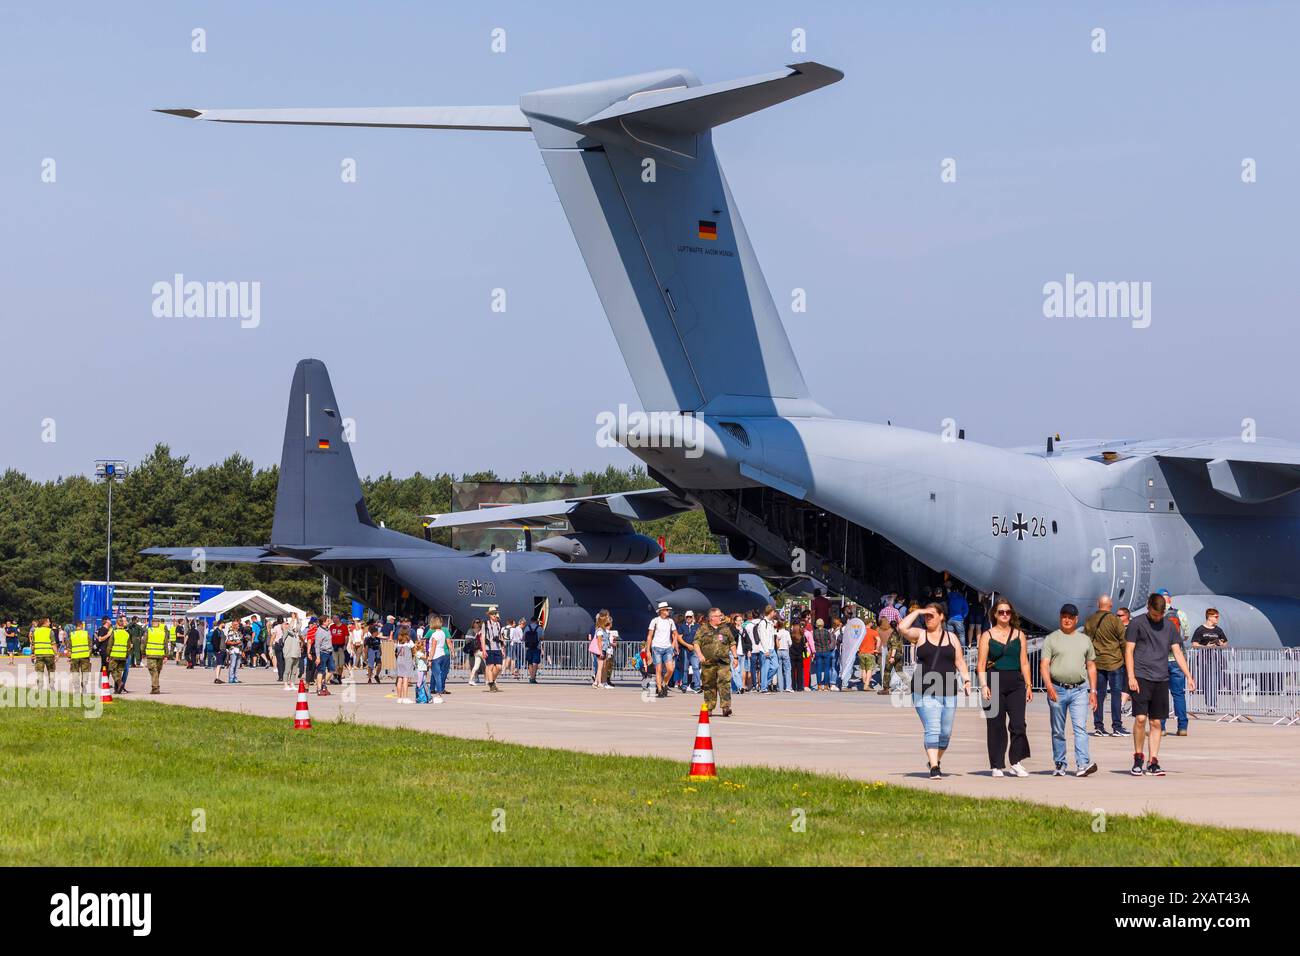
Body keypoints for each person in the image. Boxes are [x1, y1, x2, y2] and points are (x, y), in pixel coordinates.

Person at [1125, 592, 1195, 777]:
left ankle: (1153, 761)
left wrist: (1188, 675)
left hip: (1161, 678)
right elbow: (1129, 650)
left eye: (1160, 615)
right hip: (1141, 676)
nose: (1158, 618)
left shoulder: (1169, 627)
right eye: (1155, 614)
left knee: (1156, 722)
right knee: (1140, 719)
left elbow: (1177, 652)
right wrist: (1131, 677)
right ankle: (1138, 758)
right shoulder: (1136, 623)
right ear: (1148, 607)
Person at [898, 603, 971, 778]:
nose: (927, 618)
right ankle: (934, 768)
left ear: (941, 617)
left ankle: (934, 760)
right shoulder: (920, 635)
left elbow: (959, 661)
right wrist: (918, 611)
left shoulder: (952, 637)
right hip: (923, 690)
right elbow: (902, 627)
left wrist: (966, 679)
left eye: (931, 615)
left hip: (948, 691)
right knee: (933, 727)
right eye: (926, 616)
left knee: (945, 733)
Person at [1040, 604, 1099, 777]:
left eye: (1070, 617)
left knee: (1080, 727)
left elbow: (1091, 666)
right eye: (1064, 616)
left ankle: (1083, 764)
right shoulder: (1052, 639)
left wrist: (1093, 691)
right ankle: (1060, 763)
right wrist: (1049, 686)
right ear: (1060, 618)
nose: (1067, 620)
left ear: (1076, 619)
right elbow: (1044, 665)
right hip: (1057, 688)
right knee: (1058, 729)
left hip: (1079, 690)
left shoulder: (1084, 640)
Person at [977, 598, 1033, 777]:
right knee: (995, 725)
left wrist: (1029, 685)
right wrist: (984, 685)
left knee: (1018, 724)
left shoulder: (1019, 635)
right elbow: (981, 664)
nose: (1004, 615)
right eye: (1001, 612)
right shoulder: (987, 635)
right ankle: (996, 764)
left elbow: (1024, 662)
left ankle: (1016, 761)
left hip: (1016, 682)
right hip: (994, 681)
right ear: (995, 614)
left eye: (1007, 612)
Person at [1082, 595, 1128, 737]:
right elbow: (1123, 642)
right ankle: (1117, 726)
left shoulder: (1090, 620)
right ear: (1110, 605)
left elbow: (1086, 641)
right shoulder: (1115, 620)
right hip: (1115, 663)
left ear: (1098, 604)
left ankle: (1098, 726)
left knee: (1098, 694)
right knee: (1115, 695)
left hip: (1097, 663)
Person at [1156, 591, 1190, 736]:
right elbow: (1186, 634)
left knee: (1161, 695)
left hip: (1161, 660)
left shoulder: (1157, 615)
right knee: (1179, 694)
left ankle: (1161, 728)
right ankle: (1182, 727)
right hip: (1177, 660)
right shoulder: (1180, 614)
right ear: (1169, 599)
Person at [694, 607, 737, 717]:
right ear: (712, 617)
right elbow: (696, 643)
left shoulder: (725, 629)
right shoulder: (703, 629)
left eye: (721, 615)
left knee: (725, 683)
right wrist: (700, 655)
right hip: (708, 663)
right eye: (718, 616)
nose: (721, 618)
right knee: (709, 685)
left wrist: (735, 657)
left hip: (723, 662)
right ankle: (709, 707)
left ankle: (726, 707)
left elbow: (732, 642)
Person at [1191, 609, 1228, 714]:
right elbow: (1194, 644)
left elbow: (1225, 643)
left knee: (1214, 682)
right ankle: (1209, 704)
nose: (1217, 619)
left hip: (1215, 659)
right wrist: (1205, 646)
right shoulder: (1200, 630)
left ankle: (1213, 705)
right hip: (1204, 659)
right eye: (1216, 617)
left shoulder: (1218, 630)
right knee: (1208, 682)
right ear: (1209, 617)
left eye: (1218, 616)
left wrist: (1220, 644)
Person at [645, 601, 678, 699]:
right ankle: (659, 690)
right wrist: (647, 651)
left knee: (670, 669)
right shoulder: (655, 621)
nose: (668, 611)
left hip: (668, 647)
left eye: (668, 610)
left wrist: (673, 645)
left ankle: (664, 684)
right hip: (657, 647)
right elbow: (649, 636)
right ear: (661, 611)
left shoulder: (670, 621)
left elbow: (675, 634)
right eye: (666, 609)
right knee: (658, 670)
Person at [878, 615, 905, 695]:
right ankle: (908, 685)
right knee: (899, 671)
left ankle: (885, 688)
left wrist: (892, 656)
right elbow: (900, 644)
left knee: (887, 671)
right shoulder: (899, 633)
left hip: (893, 654)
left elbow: (894, 646)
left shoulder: (893, 634)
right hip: (899, 654)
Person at [482, 607, 507, 692]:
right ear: (489, 615)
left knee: (499, 667)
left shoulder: (499, 624)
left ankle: (491, 681)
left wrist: (503, 648)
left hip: (497, 648)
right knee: (490, 666)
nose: (494, 615)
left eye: (495, 613)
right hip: (488, 647)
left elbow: (501, 637)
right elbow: (482, 638)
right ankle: (492, 684)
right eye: (493, 613)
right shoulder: (485, 624)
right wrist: (484, 650)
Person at [425, 615, 449, 702]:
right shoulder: (442, 633)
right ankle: (440, 691)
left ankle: (439, 694)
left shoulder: (435, 634)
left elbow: (433, 648)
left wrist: (430, 659)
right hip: (442, 655)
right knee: (439, 675)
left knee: (437, 676)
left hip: (436, 656)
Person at [676, 610, 700, 694]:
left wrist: (695, 645)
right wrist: (687, 645)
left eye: (690, 617)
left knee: (696, 668)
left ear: (693, 617)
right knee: (685, 668)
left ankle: (697, 686)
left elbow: (700, 637)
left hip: (695, 649)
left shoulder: (697, 626)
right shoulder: (682, 627)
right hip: (685, 649)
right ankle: (684, 685)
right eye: (687, 617)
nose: (688, 618)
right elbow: (679, 638)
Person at [756, 605, 779, 693]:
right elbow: (762, 637)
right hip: (765, 649)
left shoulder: (770, 622)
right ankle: (764, 687)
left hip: (772, 648)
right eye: (774, 612)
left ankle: (765, 682)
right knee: (765, 669)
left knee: (775, 666)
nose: (775, 613)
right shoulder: (763, 623)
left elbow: (772, 636)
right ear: (770, 612)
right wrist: (766, 650)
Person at [30, 617, 56, 690]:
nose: (50, 623)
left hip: (39, 655)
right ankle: (52, 686)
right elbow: (53, 644)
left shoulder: (35, 631)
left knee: (40, 671)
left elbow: (33, 644)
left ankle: (40, 687)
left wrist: (32, 654)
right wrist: (56, 654)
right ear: (45, 622)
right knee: (51, 671)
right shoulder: (50, 631)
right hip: (49, 655)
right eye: (48, 622)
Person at [108, 615, 132, 693]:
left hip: (114, 655)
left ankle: (119, 682)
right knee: (119, 671)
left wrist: (108, 655)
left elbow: (110, 645)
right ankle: (118, 689)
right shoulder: (126, 634)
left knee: (112, 669)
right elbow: (129, 646)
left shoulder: (114, 633)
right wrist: (127, 655)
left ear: (117, 624)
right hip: (123, 656)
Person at [144, 617, 168, 694]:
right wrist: (166, 656)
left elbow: (144, 642)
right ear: (159, 623)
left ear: (152, 623)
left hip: (151, 654)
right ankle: (155, 687)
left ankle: (155, 688)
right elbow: (165, 645)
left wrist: (143, 653)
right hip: (160, 655)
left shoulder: (149, 631)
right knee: (157, 671)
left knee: (153, 671)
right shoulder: (163, 632)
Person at [393, 624, 416, 703]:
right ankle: (405, 697)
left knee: (399, 679)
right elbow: (414, 650)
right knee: (405, 679)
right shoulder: (409, 641)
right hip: (407, 661)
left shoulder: (399, 641)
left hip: (399, 660)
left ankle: (399, 698)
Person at [855, 618, 879, 692]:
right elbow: (879, 640)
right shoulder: (874, 632)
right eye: (872, 622)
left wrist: (858, 648)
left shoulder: (860, 632)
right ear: (870, 623)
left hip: (861, 653)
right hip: (870, 653)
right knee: (869, 669)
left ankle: (864, 683)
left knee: (863, 669)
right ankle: (866, 685)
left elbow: (855, 640)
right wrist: (877, 649)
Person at [811, 618, 835, 691]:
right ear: (823, 624)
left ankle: (819, 686)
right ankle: (826, 686)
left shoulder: (814, 632)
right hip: (826, 651)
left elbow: (813, 641)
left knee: (818, 669)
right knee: (826, 669)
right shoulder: (826, 632)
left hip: (818, 651)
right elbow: (830, 640)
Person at [312, 617, 332, 695]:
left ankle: (324, 684)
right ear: (323, 622)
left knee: (332, 670)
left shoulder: (328, 630)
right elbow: (317, 645)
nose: (329, 621)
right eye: (328, 620)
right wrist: (318, 657)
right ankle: (319, 688)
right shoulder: (319, 631)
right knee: (321, 671)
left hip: (329, 652)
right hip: (322, 652)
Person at [522, 616, 543, 683]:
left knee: (530, 663)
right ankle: (533, 678)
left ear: (531, 621)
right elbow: (542, 637)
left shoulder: (527, 627)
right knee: (535, 663)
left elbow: (524, 637)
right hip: (537, 647)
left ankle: (531, 677)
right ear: (536, 621)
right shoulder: (539, 628)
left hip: (529, 648)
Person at [789, 617, 807, 692]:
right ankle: (800, 687)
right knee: (800, 671)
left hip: (792, 655)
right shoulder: (802, 636)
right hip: (800, 655)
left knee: (792, 671)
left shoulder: (791, 635)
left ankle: (793, 686)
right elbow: (805, 646)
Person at [224, 618, 244, 685]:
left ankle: (235, 678)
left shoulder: (239, 632)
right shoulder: (231, 632)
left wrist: (242, 651)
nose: (238, 626)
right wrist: (236, 643)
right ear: (234, 626)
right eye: (237, 625)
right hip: (233, 650)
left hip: (239, 650)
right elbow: (227, 642)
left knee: (237, 665)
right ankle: (231, 678)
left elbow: (241, 641)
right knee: (232, 664)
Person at [775, 616, 793, 692]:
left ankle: (780, 687)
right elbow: (790, 642)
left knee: (779, 669)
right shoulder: (786, 632)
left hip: (778, 651)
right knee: (787, 669)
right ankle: (788, 687)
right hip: (785, 650)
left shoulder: (777, 632)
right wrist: (788, 645)